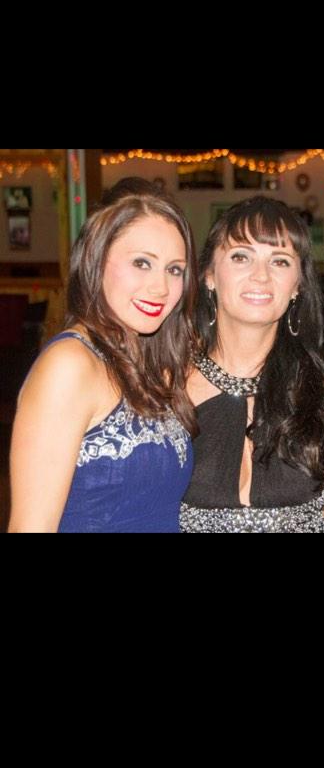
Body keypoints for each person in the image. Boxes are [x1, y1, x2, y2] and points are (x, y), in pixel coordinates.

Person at [9, 180, 198, 533]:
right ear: (96, 260)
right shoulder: (70, 365)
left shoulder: (149, 362)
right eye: (142, 262)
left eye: (174, 269)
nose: (160, 287)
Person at [180, 196, 324, 533]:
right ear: (209, 275)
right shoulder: (167, 387)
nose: (261, 276)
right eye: (241, 257)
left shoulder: (322, 389)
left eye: (280, 261)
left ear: (297, 285)